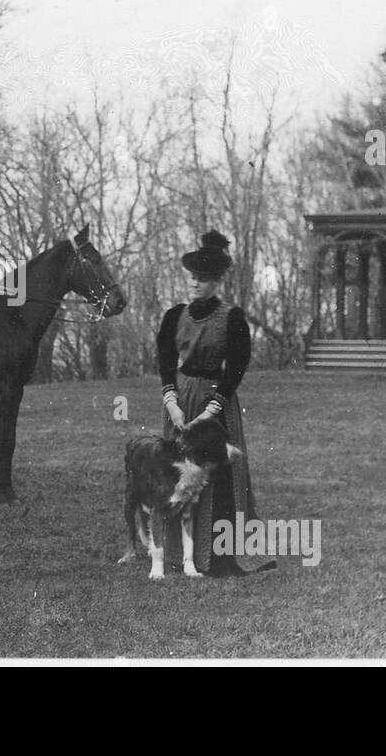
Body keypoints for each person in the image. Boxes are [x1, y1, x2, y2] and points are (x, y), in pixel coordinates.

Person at [156, 229, 276, 576]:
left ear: (216, 282)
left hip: (214, 402)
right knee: (177, 470)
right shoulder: (173, 316)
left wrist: (211, 410)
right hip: (179, 402)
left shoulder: (232, 318)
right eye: (192, 278)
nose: (195, 285)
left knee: (218, 472)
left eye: (203, 280)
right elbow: (165, 362)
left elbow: (236, 368)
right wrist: (172, 403)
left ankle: (221, 555)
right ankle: (177, 553)